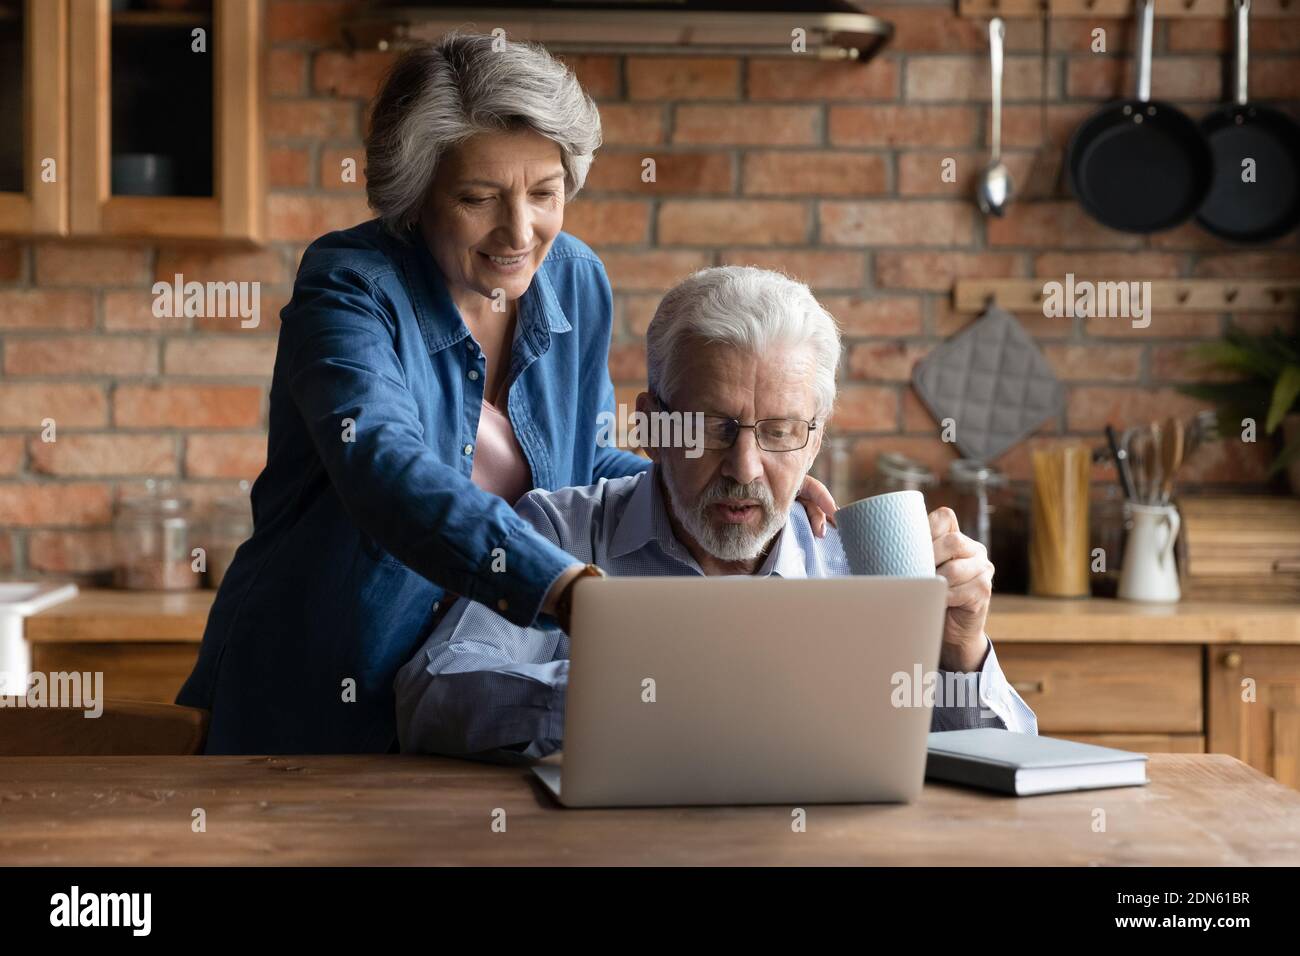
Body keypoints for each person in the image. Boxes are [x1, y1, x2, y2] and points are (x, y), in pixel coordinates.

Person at [395, 267, 1038, 760]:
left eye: (781, 431)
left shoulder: (863, 559)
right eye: (712, 429)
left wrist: (961, 652)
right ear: (649, 425)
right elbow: (432, 695)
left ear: (815, 439)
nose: (745, 468)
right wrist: (637, 699)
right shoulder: (560, 530)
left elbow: (1007, 756)